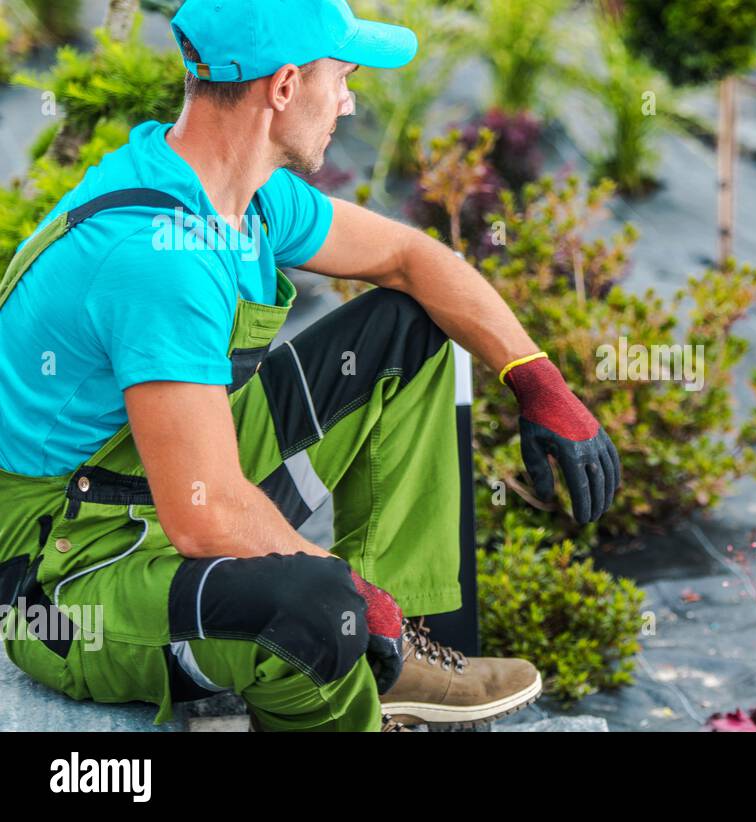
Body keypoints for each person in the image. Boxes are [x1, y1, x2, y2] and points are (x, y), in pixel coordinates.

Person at [0, 0, 620, 732]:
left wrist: (538, 381)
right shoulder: (154, 257)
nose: (350, 101)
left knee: (406, 327)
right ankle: (352, 661)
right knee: (316, 614)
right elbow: (204, 517)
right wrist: (350, 594)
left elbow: (411, 258)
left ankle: (399, 659)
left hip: (155, 479)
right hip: (71, 578)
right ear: (285, 86)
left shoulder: (247, 199)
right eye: (344, 76)